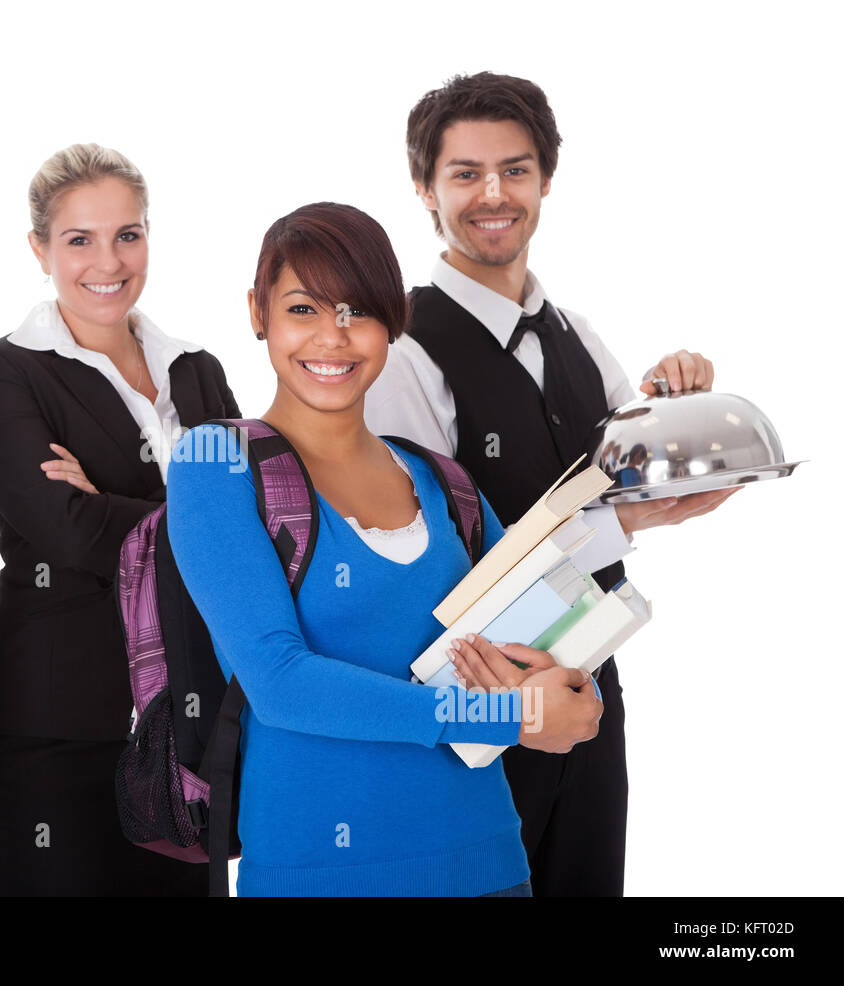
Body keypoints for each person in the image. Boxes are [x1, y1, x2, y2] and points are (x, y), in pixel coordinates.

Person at [364, 71, 739, 896]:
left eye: (515, 169)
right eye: (465, 173)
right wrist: (628, 528)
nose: (492, 194)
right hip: (482, 708)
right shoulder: (402, 350)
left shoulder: (578, 333)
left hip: (590, 686)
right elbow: (436, 556)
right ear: (425, 188)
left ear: (544, 181)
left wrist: (679, 397)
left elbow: (624, 477)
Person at [165, 201, 603, 897]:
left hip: (489, 866)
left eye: (357, 311)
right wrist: (510, 715)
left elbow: (538, 626)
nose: (333, 339)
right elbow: (280, 682)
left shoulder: (443, 480)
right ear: (258, 312)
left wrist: (571, 689)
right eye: (303, 309)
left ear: (393, 319)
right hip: (319, 875)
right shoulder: (217, 464)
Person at [0, 143, 239, 896]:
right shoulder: (1, 370)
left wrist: (111, 504)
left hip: (190, 725)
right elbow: (65, 532)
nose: (107, 261)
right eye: (79, 239)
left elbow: (250, 532)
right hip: (56, 730)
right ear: (39, 249)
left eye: (128, 234)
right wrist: (195, 517)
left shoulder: (197, 370)